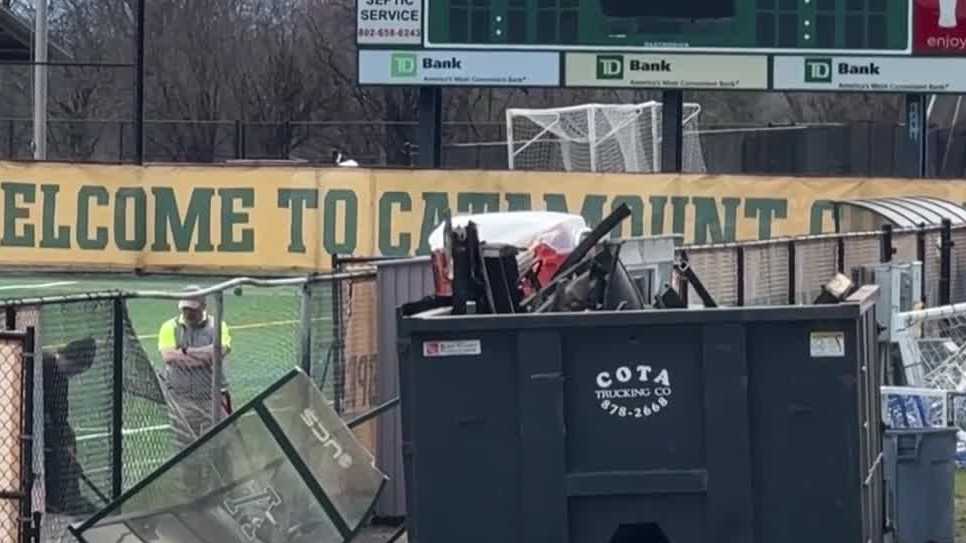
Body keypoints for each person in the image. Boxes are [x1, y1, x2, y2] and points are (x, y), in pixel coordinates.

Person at [157, 286, 233, 452]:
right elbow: (169, 357)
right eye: (184, 309)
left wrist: (184, 353)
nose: (188, 313)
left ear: (203, 306)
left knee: (222, 446)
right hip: (182, 400)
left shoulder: (218, 326)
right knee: (185, 449)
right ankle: (191, 478)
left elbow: (219, 352)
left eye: (192, 309)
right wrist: (205, 354)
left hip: (212, 399)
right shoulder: (169, 327)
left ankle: (223, 477)